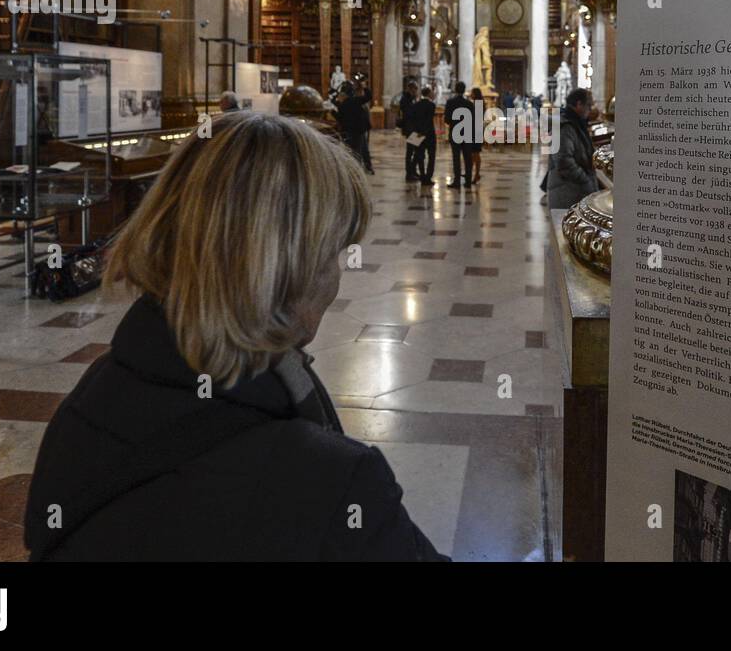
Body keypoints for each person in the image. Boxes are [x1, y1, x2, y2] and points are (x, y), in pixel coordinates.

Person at [23, 113, 446, 560]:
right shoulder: (332, 483)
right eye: (333, 254)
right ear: (290, 270)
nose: (336, 277)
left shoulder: (83, 406)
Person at [547, 87, 599, 209]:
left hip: (574, 190)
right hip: (568, 192)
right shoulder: (564, 127)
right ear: (578, 104)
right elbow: (563, 161)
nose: (590, 109)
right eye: (588, 105)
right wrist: (585, 180)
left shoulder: (575, 123)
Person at [335, 81, 374, 174]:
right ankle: (365, 168)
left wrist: (333, 112)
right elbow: (369, 96)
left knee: (354, 150)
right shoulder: (356, 100)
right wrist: (365, 87)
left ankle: (356, 169)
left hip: (350, 130)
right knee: (362, 149)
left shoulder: (342, 104)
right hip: (359, 130)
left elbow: (340, 119)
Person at [443, 81, 474, 190]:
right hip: (468, 134)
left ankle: (457, 181)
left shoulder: (450, 102)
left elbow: (446, 120)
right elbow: (474, 120)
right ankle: (468, 181)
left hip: (455, 133)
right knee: (468, 158)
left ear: (455, 90)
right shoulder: (470, 104)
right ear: (464, 90)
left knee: (456, 158)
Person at [408, 86, 437, 185]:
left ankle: (422, 175)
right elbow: (429, 120)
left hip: (417, 133)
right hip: (429, 134)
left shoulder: (416, 105)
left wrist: (418, 131)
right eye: (432, 92)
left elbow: (413, 119)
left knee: (420, 155)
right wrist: (425, 132)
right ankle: (428, 177)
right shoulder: (432, 105)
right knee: (431, 156)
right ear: (429, 94)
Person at [398, 80, 422, 182]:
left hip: (415, 129)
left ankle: (413, 170)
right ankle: (409, 173)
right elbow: (410, 113)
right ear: (411, 89)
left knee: (418, 151)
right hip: (411, 129)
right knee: (411, 152)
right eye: (415, 89)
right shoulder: (406, 99)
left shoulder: (412, 99)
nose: (417, 91)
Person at [468, 86, 485, 184]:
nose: (470, 94)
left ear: (475, 94)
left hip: (476, 131)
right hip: (476, 130)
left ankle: (476, 174)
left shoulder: (478, 104)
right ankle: (474, 173)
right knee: (473, 154)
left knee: (475, 153)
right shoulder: (477, 103)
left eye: (472, 93)